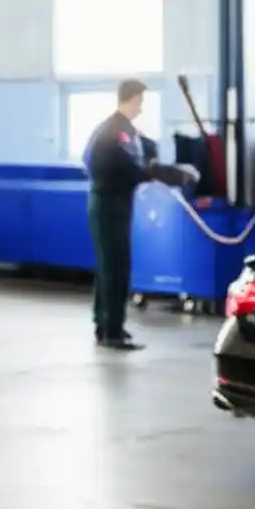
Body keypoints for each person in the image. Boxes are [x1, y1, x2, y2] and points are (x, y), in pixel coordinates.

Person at [82, 79, 156, 350]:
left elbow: (144, 152)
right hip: (108, 204)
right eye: (140, 102)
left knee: (109, 267)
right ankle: (112, 330)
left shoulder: (124, 130)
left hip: (116, 204)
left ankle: (105, 325)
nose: (141, 108)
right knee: (115, 267)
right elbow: (117, 165)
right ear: (132, 99)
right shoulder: (113, 131)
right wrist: (154, 173)